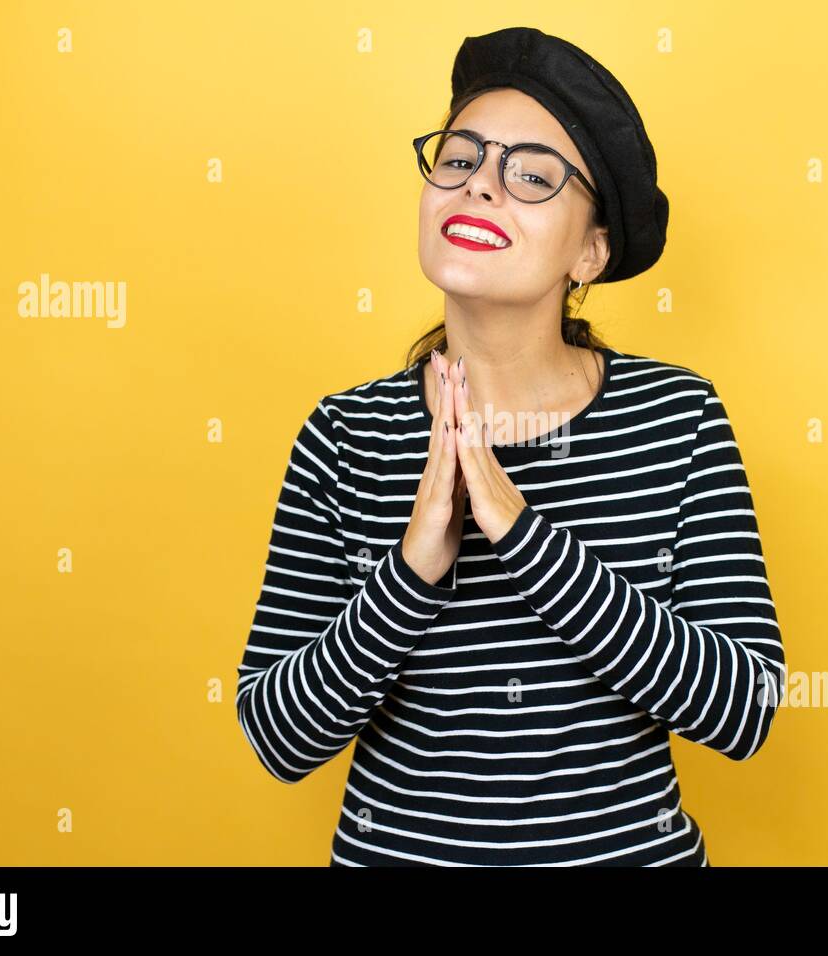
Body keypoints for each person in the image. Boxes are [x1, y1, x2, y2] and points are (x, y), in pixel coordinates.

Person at [234, 26, 785, 866]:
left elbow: (743, 709)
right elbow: (279, 737)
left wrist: (524, 535)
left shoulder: (680, 416)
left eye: (531, 175)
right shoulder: (346, 436)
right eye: (460, 160)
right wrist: (413, 568)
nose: (481, 187)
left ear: (591, 251)